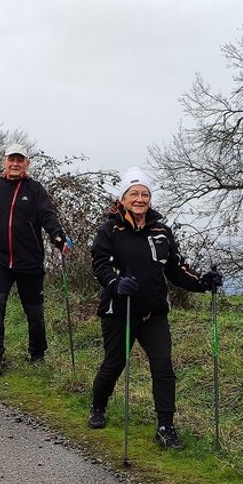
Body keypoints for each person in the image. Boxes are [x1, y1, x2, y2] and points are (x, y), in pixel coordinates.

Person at [87, 167, 220, 449]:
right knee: (114, 364)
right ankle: (98, 407)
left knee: (163, 368)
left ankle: (165, 426)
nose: (139, 199)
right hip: (119, 311)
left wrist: (203, 283)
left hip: (154, 313)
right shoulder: (110, 229)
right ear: (122, 198)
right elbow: (100, 263)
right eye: (133, 194)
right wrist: (115, 283)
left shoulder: (161, 231)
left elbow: (175, 268)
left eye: (144, 194)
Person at [0, 144, 71, 376]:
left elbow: (48, 216)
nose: (15, 164)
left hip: (29, 262)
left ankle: (38, 354)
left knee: (34, 312)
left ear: (26, 164)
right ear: (4, 162)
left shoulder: (35, 190)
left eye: (20, 160)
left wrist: (58, 237)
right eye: (12, 159)